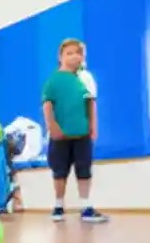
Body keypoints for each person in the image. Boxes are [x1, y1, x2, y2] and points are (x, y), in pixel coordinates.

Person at [43, 39, 108, 223]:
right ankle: (58, 206)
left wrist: (93, 127)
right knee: (59, 171)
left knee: (84, 169)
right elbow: (47, 105)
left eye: (77, 53)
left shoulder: (86, 78)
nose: (73, 57)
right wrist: (52, 127)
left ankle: (86, 207)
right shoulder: (53, 80)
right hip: (60, 135)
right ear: (60, 57)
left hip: (82, 134)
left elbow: (90, 103)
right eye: (69, 53)